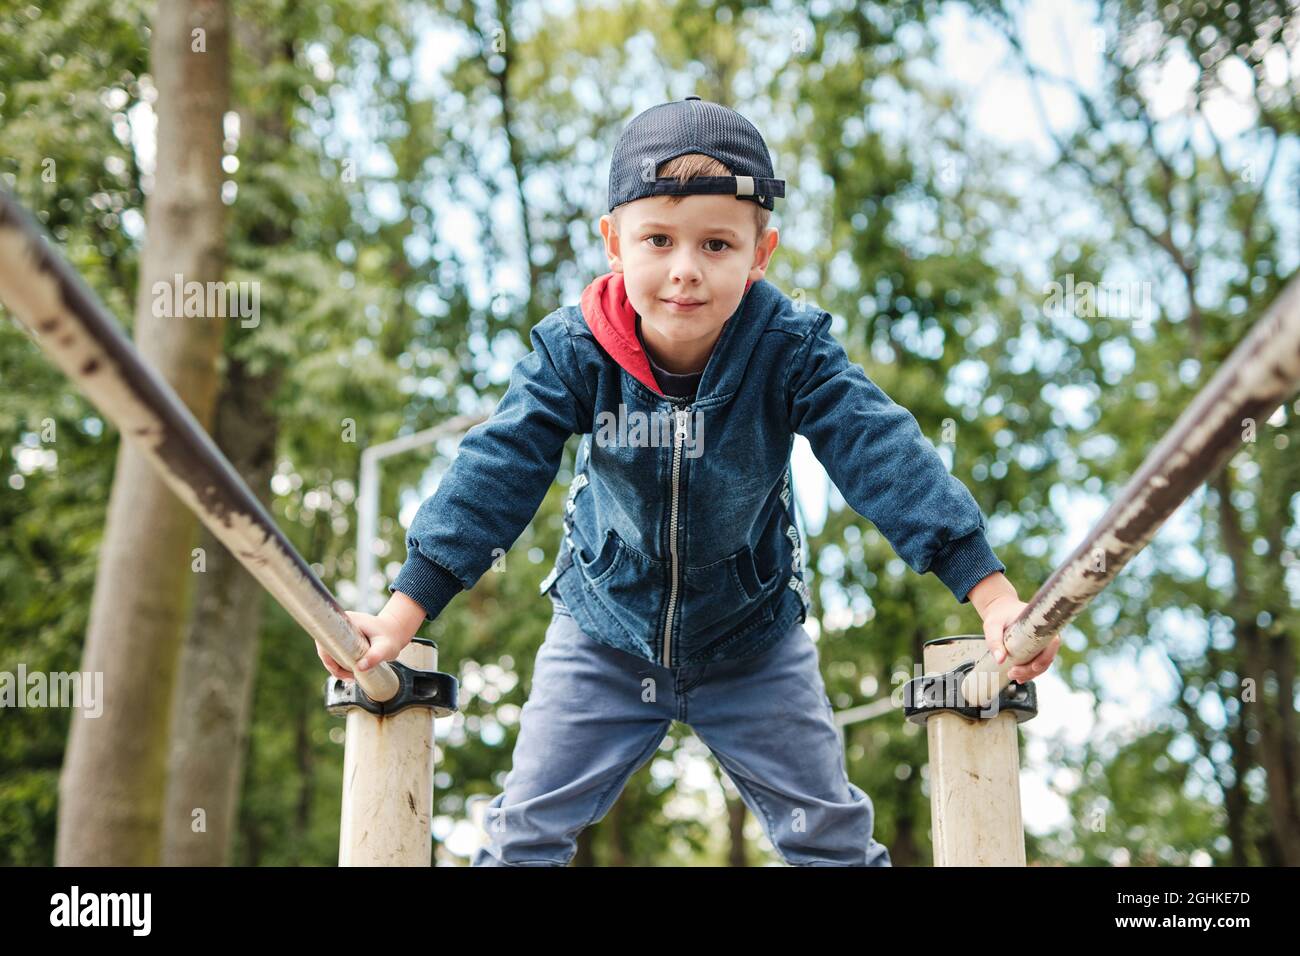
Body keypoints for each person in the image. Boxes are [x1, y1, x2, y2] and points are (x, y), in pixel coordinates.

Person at [316, 95, 1060, 866]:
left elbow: (882, 453)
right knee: (523, 837)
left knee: (832, 840)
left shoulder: (789, 349)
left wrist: (992, 593)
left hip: (753, 644)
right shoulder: (575, 353)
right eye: (659, 240)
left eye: (716, 245)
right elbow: (498, 468)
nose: (684, 271)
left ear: (760, 252)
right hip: (602, 635)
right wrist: (406, 609)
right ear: (614, 242)